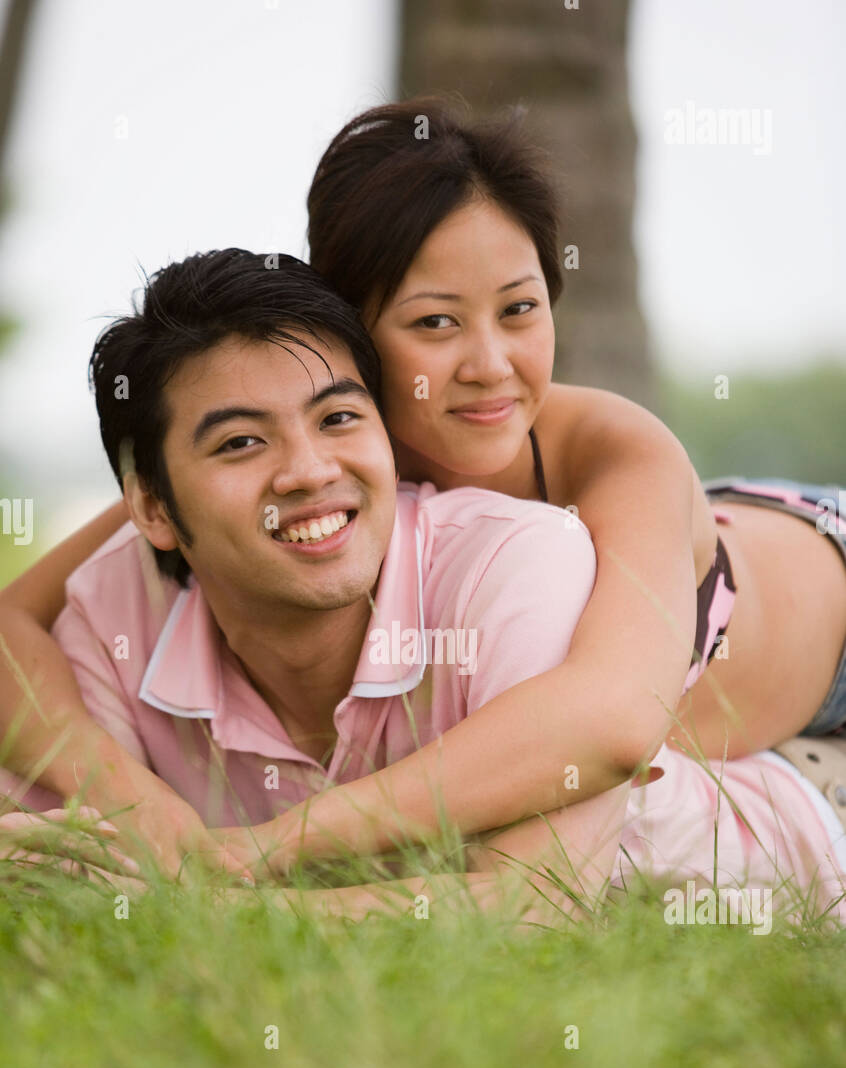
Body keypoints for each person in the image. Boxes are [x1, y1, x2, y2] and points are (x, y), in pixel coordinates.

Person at [1, 100, 846, 880]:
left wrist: (269, 848)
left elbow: (615, 720)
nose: (489, 366)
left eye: (518, 310)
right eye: (436, 322)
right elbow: (11, 626)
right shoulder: (319, 452)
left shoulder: (613, 450)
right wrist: (138, 806)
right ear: (350, 328)